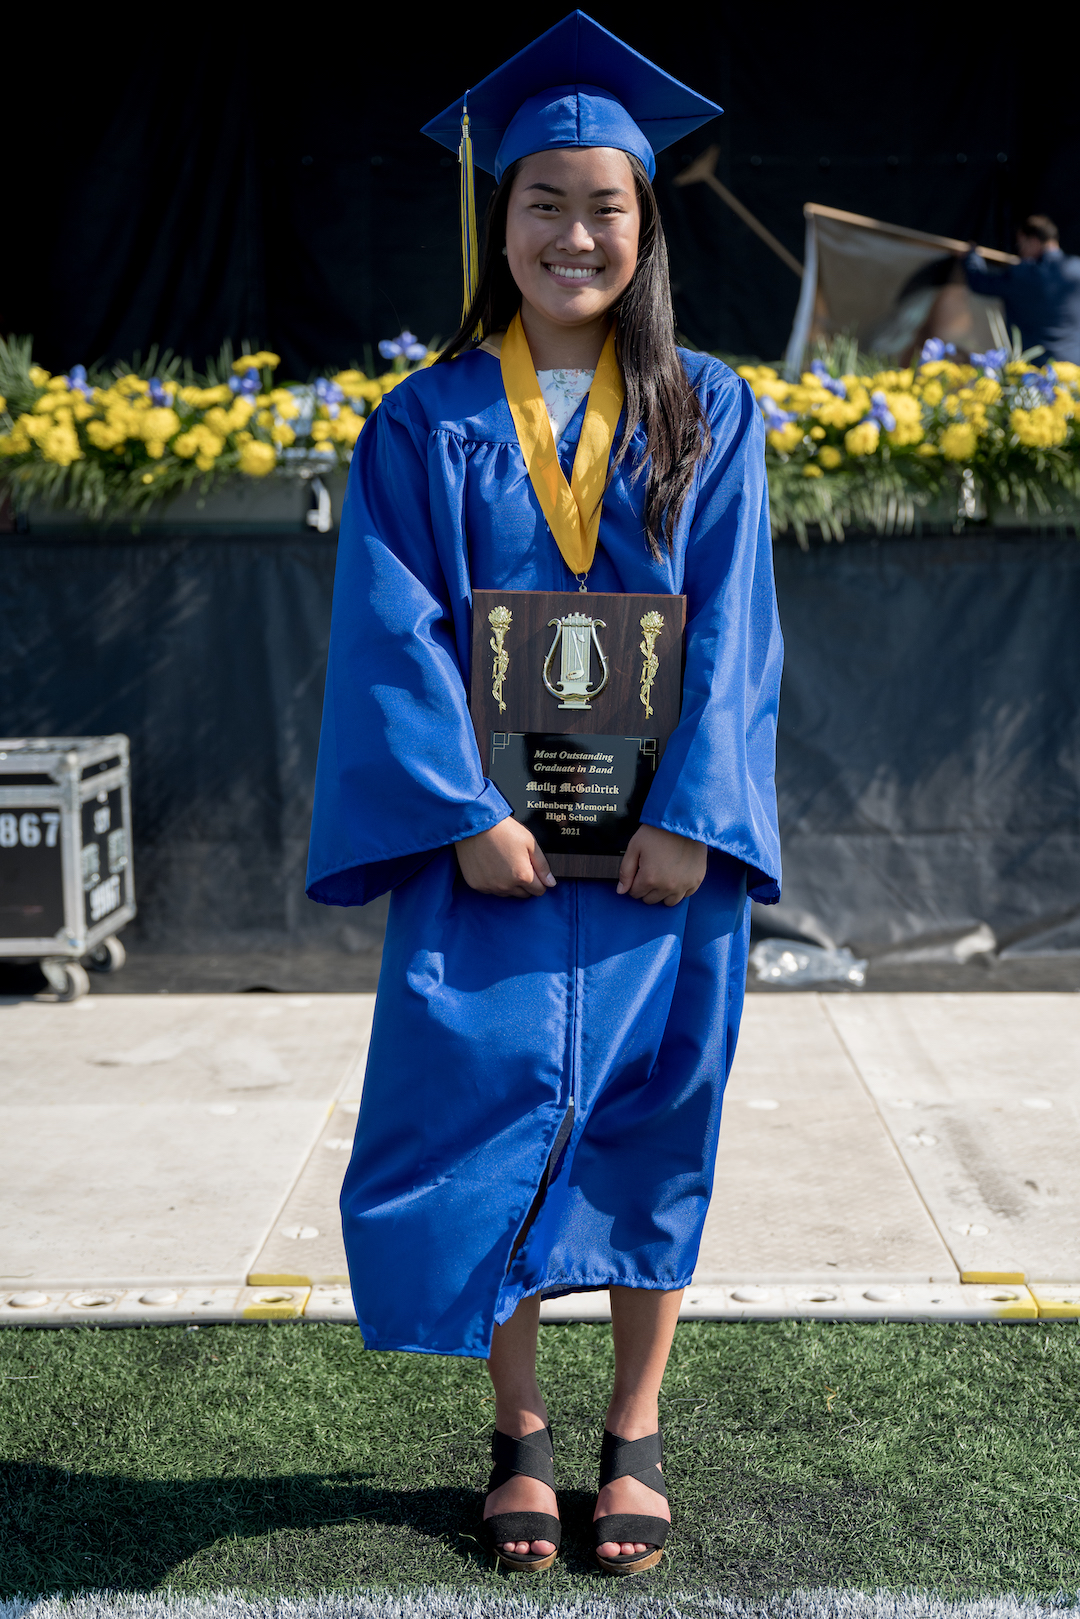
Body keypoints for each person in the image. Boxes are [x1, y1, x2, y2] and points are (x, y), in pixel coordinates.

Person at [305, 10, 782, 1578]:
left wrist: (693, 814)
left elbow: (736, 635)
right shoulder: (425, 422)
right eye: (543, 204)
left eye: (606, 206)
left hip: (660, 857)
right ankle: (516, 1429)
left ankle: (631, 1430)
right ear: (496, 220)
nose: (574, 234)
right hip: (489, 854)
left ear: (646, 228)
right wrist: (461, 807)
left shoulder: (708, 412)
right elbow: (392, 630)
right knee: (487, 1105)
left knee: (654, 1116)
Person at [965, 215, 1080, 364]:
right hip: (1075, 369)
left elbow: (979, 282)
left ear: (1033, 241)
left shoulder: (1024, 275)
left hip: (1036, 374)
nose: (1020, 252)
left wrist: (971, 257)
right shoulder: (1077, 268)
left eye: (1020, 245)